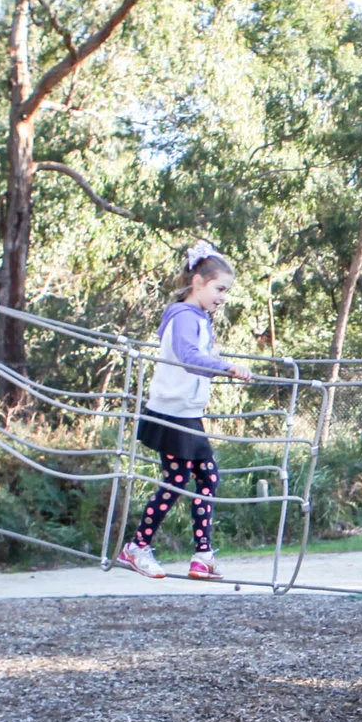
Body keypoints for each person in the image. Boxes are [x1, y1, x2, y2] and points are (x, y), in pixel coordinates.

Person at [117, 243, 252, 581]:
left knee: (206, 477)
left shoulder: (199, 318)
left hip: (185, 412)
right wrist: (227, 367)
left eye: (226, 291)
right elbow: (188, 356)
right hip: (172, 413)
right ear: (198, 282)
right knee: (178, 480)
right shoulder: (184, 317)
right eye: (219, 289)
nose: (223, 297)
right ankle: (136, 548)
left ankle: (201, 555)